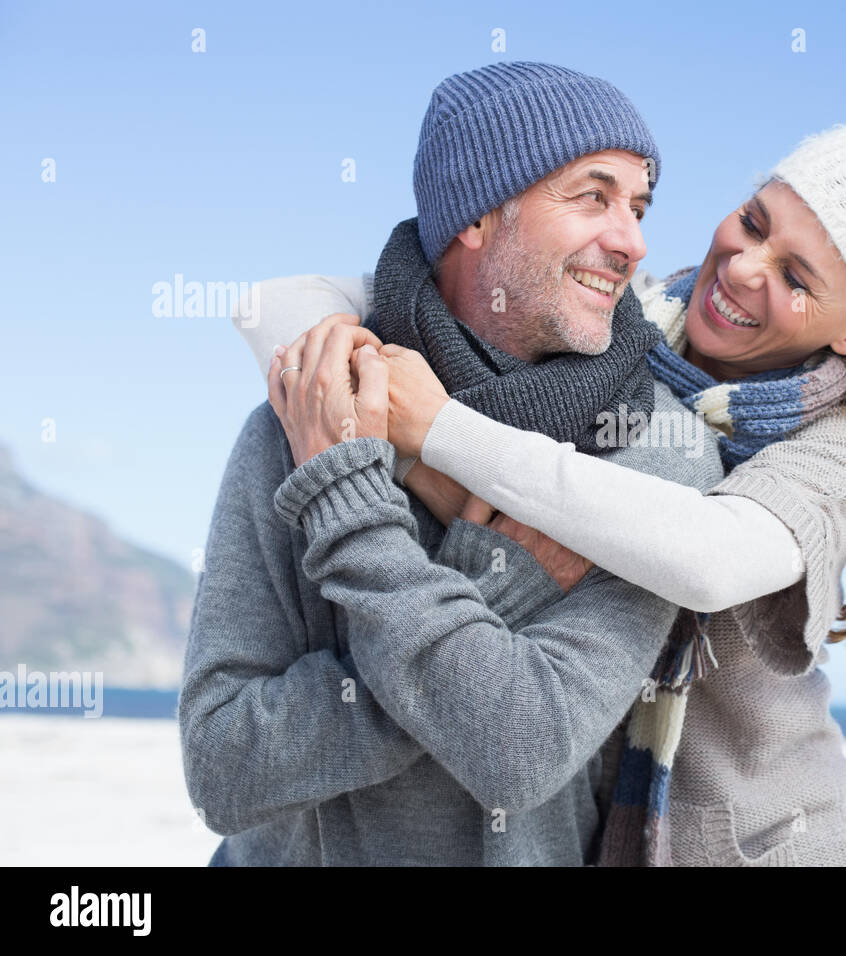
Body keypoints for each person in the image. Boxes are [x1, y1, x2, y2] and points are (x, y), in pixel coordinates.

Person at [250, 122, 846, 865]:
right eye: (754, 223)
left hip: (756, 844)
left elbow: (705, 558)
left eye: (796, 278)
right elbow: (276, 305)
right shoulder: (624, 325)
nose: (743, 268)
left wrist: (439, 436)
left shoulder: (839, 450)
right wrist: (344, 364)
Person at [178, 61, 722, 866]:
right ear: (477, 215)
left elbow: (518, 750)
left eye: (638, 207)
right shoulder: (309, 414)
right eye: (592, 196)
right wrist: (497, 588)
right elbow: (223, 769)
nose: (632, 242)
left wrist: (350, 514)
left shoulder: (652, 459)